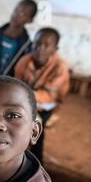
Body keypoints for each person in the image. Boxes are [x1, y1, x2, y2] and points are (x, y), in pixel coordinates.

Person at [15, 27, 70, 163]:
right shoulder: (24, 61)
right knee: (18, 125)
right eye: (37, 43)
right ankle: (16, 158)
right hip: (25, 101)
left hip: (47, 105)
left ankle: (37, 162)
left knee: (37, 128)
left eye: (46, 45)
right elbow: (16, 84)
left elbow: (49, 95)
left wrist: (24, 94)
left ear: (55, 49)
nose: (40, 48)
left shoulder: (60, 67)